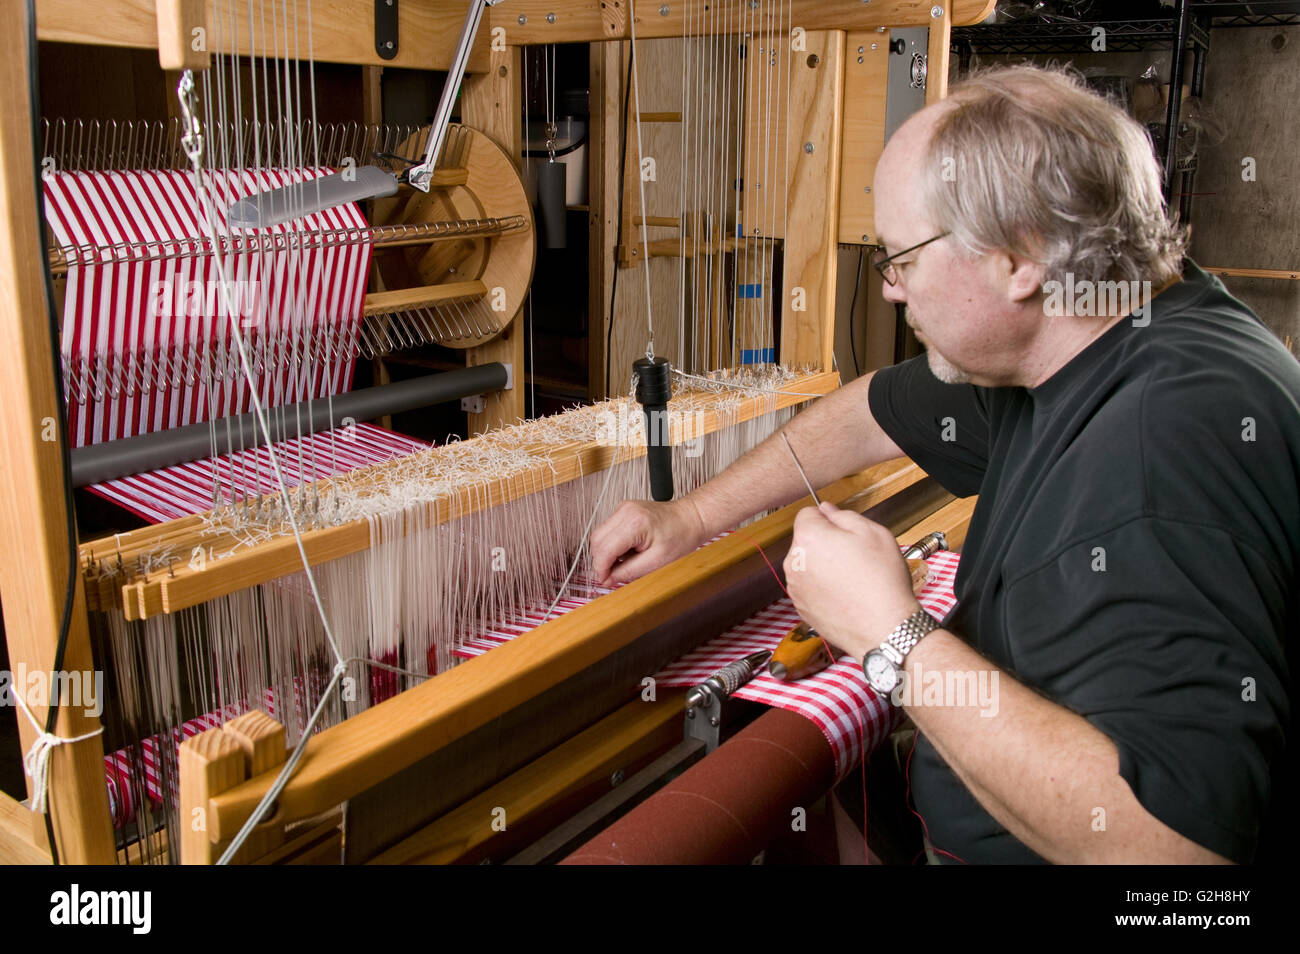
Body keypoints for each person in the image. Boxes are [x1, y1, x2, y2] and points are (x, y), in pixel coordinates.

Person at [589, 64, 1297, 864]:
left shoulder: (1159, 449)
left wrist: (890, 635)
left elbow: (1177, 858)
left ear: (1018, 260)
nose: (891, 290)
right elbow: (871, 412)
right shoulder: (1106, 331)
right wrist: (689, 517)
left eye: (905, 258)